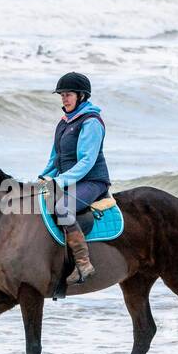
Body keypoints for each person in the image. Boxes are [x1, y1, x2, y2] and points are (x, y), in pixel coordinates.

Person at [38, 71, 110, 284]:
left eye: (68, 94)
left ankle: (83, 263)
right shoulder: (64, 122)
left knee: (62, 207)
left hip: (92, 181)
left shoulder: (91, 122)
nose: (64, 99)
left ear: (81, 96)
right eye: (61, 95)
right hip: (69, 179)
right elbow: (55, 158)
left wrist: (58, 182)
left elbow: (87, 162)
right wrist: (42, 178)